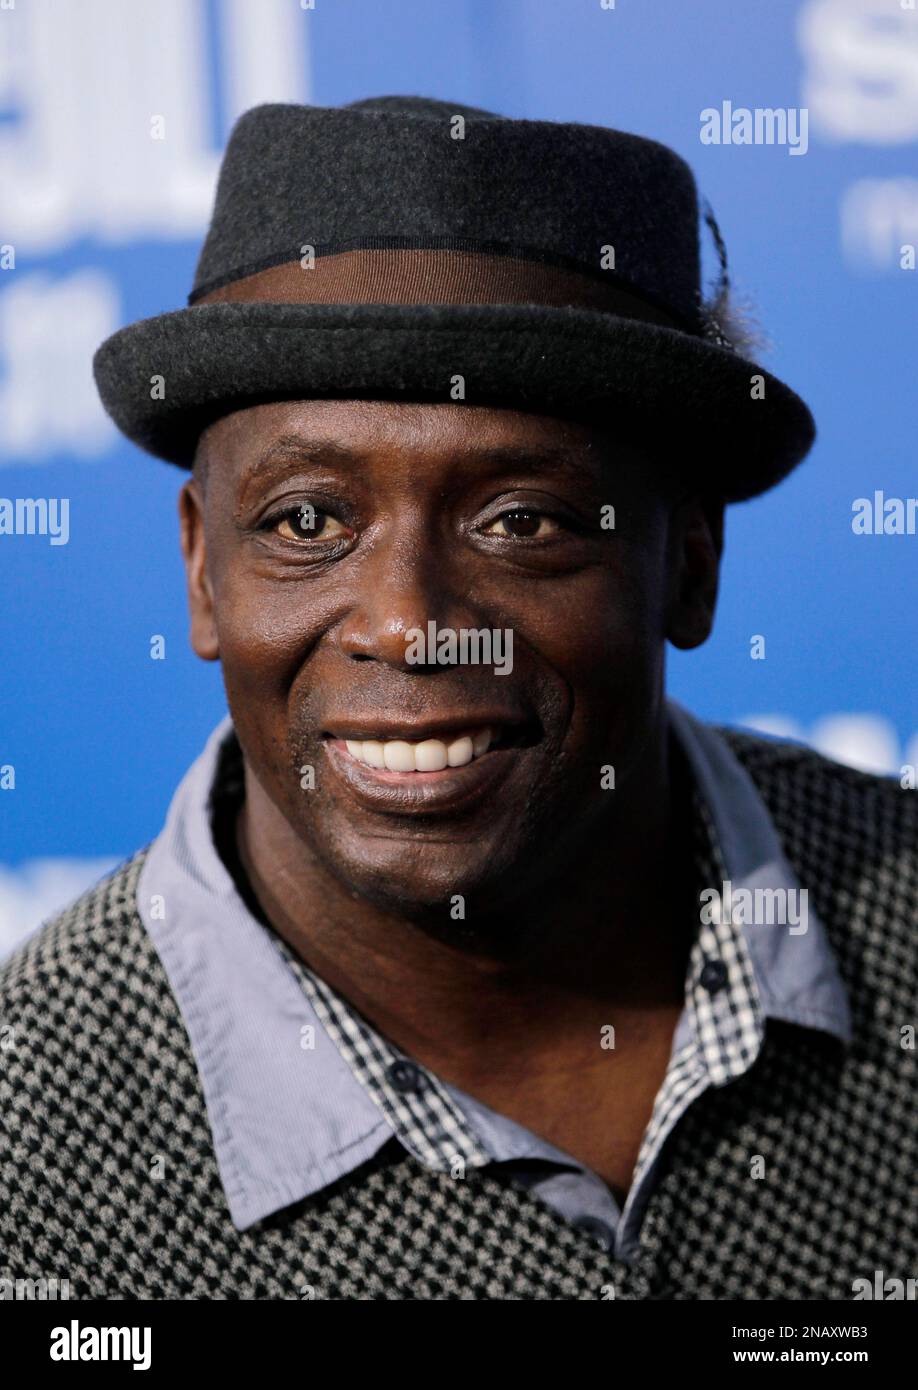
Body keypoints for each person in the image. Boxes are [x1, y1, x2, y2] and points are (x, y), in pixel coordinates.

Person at [1, 96, 914, 1301]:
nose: (408, 622)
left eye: (521, 521)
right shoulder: (29, 1148)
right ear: (202, 571)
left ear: (689, 562)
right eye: (308, 522)